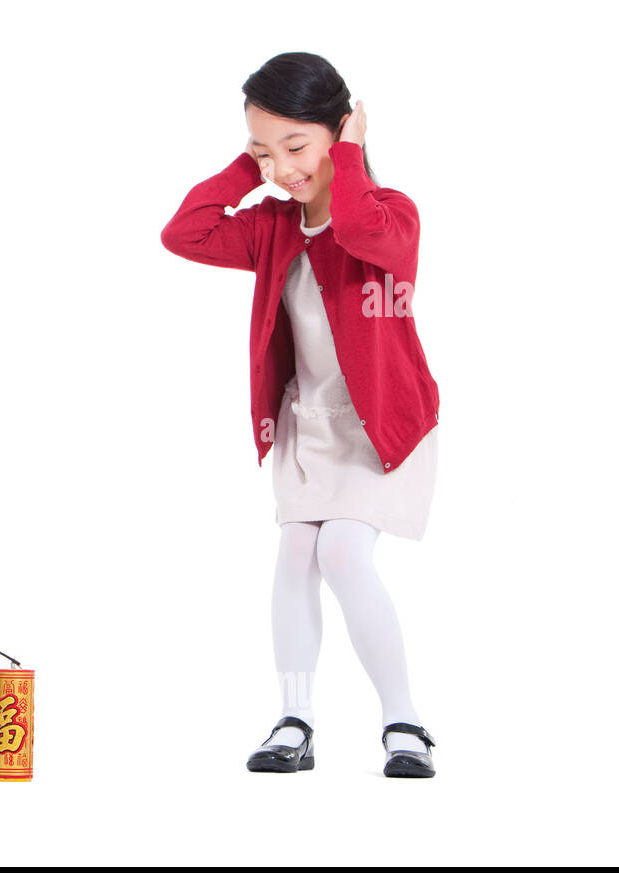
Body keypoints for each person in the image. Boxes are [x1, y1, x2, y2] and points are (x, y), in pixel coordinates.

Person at [160, 53, 441, 778]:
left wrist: (345, 156)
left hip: (382, 425)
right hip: (307, 425)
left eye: (297, 147)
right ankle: (295, 720)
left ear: (340, 136)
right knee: (294, 554)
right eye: (264, 152)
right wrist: (247, 166)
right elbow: (183, 232)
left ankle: (404, 721)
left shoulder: (394, 216)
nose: (283, 169)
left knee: (343, 553)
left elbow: (354, 225)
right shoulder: (271, 227)